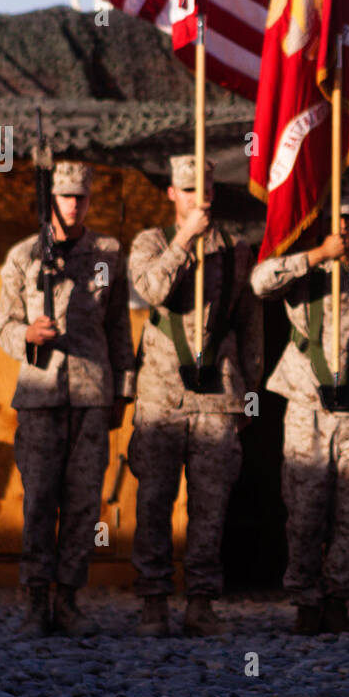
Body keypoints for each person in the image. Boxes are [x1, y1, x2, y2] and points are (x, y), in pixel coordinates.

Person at [251, 201, 349, 635]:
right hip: (307, 403)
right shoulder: (304, 274)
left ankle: (338, 598)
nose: (344, 226)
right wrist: (317, 254)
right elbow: (260, 283)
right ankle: (305, 600)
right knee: (304, 508)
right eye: (336, 218)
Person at [128, 156, 263, 637]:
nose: (197, 199)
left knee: (211, 505)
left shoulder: (236, 248)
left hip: (218, 395)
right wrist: (185, 239)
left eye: (203, 190)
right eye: (187, 190)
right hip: (161, 396)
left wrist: (250, 391)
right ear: (172, 194)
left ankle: (201, 601)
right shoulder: (151, 242)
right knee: (154, 501)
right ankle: (153, 601)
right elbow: (150, 291)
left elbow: (249, 324)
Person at [0, 161, 135, 636]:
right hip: (40, 394)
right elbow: (3, 325)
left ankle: (70, 599)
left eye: (81, 197)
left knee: (83, 503)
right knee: (39, 500)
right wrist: (28, 335)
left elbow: (118, 325)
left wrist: (124, 391)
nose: (73, 205)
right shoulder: (24, 256)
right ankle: (36, 601)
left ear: (89, 199)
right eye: (64, 197)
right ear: (50, 200)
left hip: (92, 393)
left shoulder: (108, 253)